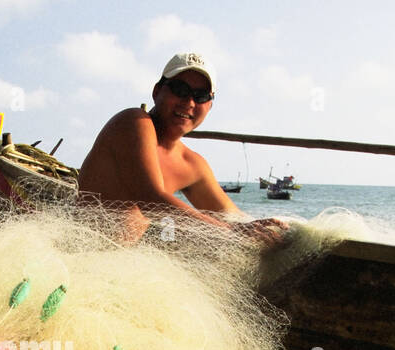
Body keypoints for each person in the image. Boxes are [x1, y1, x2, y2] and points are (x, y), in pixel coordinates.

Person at [79, 52, 285, 245]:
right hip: (79, 249)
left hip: (118, 262)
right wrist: (231, 231)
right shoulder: (133, 122)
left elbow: (234, 217)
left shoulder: (192, 164)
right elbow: (151, 199)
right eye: (180, 90)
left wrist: (275, 232)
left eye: (201, 95)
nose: (189, 102)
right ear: (156, 91)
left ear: (210, 105)